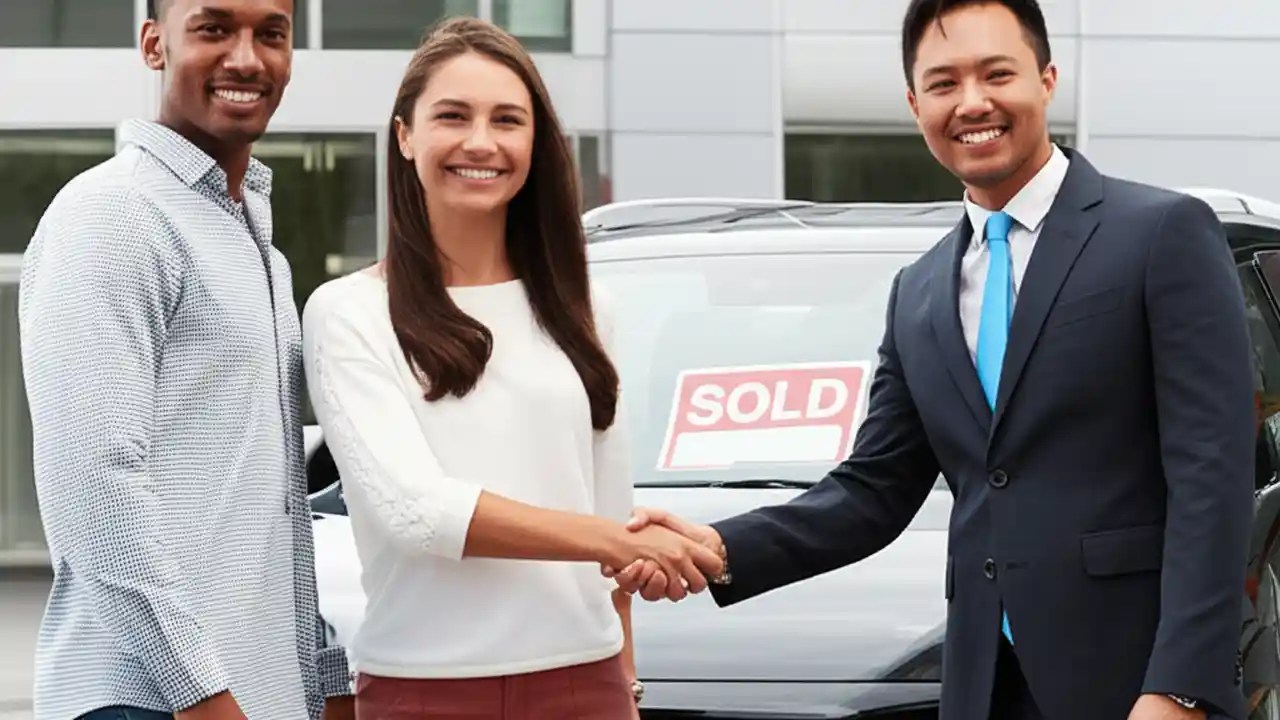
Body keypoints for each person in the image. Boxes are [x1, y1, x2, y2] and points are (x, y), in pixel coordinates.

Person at [613, 1, 1255, 718]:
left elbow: (1213, 474)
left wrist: (1181, 686)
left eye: (996, 74)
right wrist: (717, 547)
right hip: (979, 682)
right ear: (916, 104)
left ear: (1046, 80)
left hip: (1131, 679)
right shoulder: (918, 290)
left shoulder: (1160, 233)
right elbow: (872, 489)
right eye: (944, 83)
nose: (972, 102)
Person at [300, 17, 722, 720]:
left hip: (585, 686)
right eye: (452, 117)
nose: (481, 142)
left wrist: (628, 681)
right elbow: (417, 510)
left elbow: (609, 508)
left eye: (507, 120)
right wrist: (614, 540)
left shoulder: (587, 307)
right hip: (422, 690)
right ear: (405, 136)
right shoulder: (349, 312)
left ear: (536, 143)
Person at [18, 1, 355, 718]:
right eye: (213, 29)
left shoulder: (262, 252)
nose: (246, 57)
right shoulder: (113, 215)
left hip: (251, 694)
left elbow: (275, 506)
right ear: (153, 45)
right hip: (151, 702)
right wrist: (199, 692)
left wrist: (327, 677)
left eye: (271, 33)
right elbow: (93, 484)